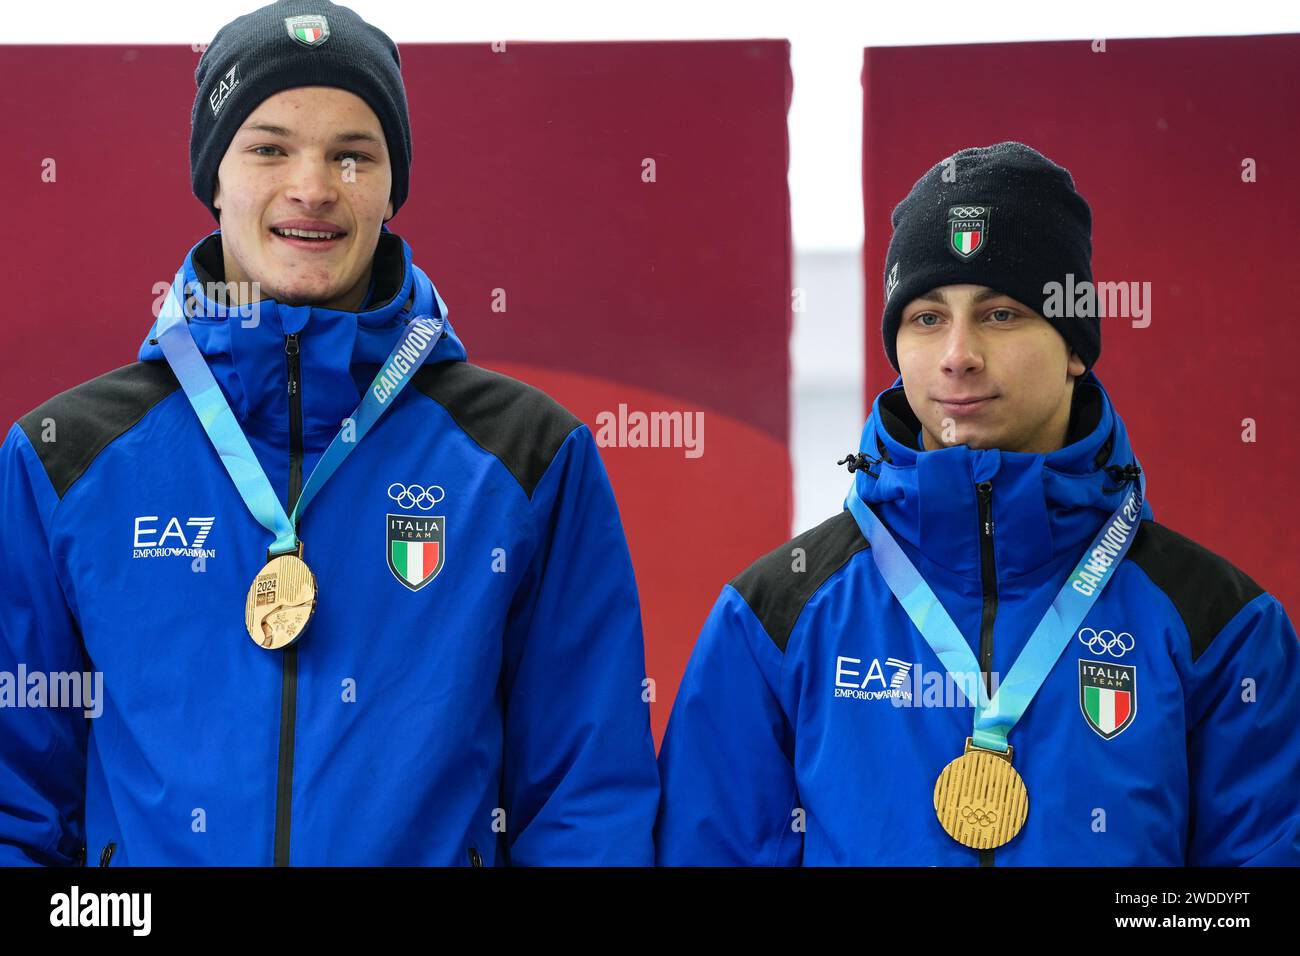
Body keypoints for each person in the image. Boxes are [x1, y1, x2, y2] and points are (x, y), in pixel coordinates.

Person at [0, 0, 658, 866]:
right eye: (269, 147)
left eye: (354, 155)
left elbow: (584, 800)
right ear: (214, 178)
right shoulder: (61, 457)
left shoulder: (528, 457)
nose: (312, 186)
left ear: (392, 187)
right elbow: (17, 803)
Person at [655, 141, 1300, 866]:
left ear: (1075, 346)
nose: (957, 354)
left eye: (1000, 314)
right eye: (927, 318)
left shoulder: (1221, 623)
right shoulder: (773, 613)